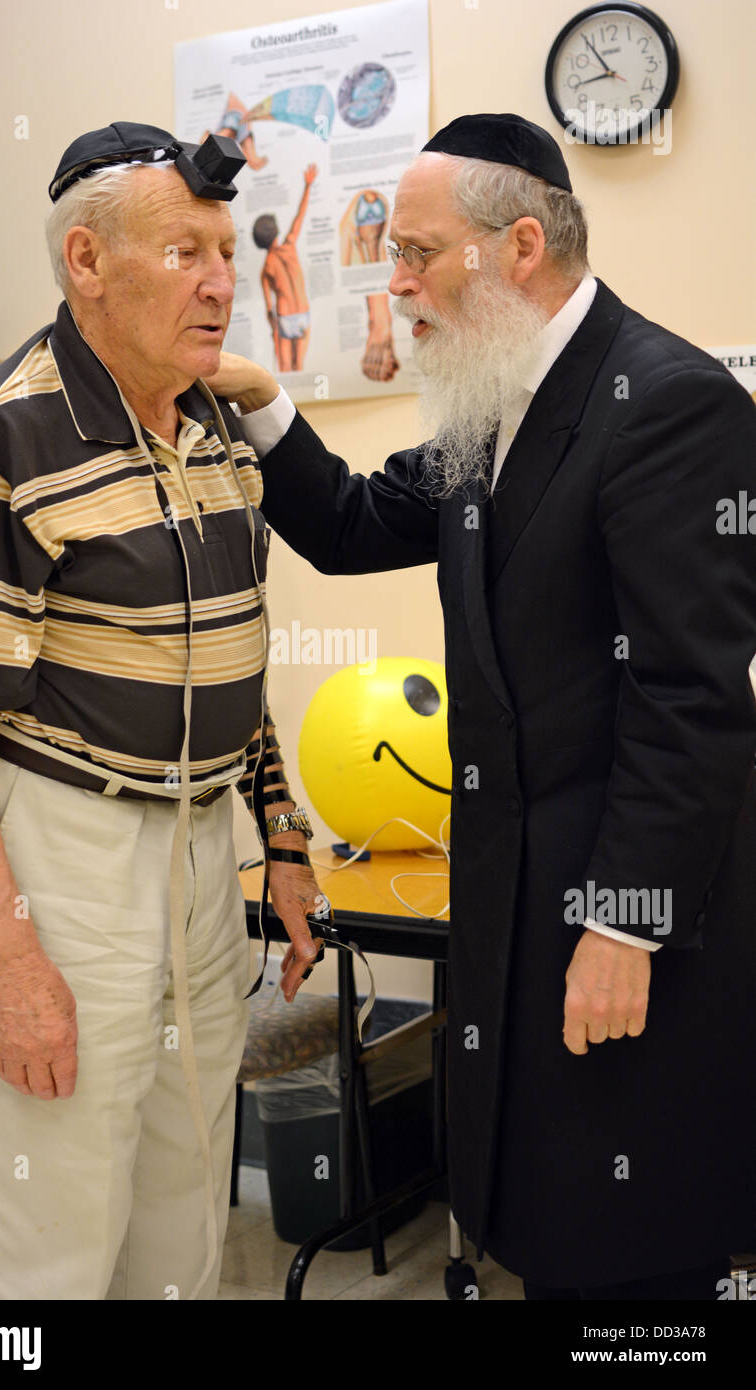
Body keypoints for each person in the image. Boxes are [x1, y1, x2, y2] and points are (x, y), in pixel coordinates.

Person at [206, 113, 756, 1300]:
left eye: (411, 251)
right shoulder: (486, 403)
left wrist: (622, 925)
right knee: (540, 1225)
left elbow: (691, 697)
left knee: (632, 1244)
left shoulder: (665, 401)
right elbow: (353, 524)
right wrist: (257, 399)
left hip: (617, 909)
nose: (393, 281)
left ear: (515, 246)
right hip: (506, 902)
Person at [0, 120, 324, 1301]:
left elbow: (231, 659)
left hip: (195, 850)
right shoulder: (0, 430)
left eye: (226, 250)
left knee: (180, 1199)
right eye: (183, 250)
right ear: (85, 261)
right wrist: (6, 955)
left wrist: (280, 836)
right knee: (46, 1218)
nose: (221, 278)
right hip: (57, 848)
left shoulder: (217, 430)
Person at [252, 164, 317, 372]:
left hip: (284, 318)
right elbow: (300, 216)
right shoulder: (290, 246)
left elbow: (268, 307)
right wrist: (308, 185)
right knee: (299, 368)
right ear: (276, 231)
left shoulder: (265, 268)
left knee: (286, 372)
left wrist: (273, 329)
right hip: (303, 315)